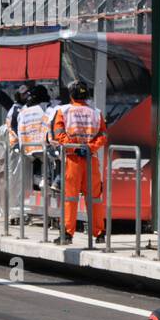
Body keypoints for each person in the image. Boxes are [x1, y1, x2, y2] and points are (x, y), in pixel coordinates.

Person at [51, 79, 107, 244]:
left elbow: (58, 134)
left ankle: (67, 234)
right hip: (91, 159)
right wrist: (89, 147)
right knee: (94, 198)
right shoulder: (96, 112)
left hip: (72, 159)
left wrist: (74, 148)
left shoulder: (63, 111)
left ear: (71, 94)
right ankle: (100, 233)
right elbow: (103, 135)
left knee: (70, 197)